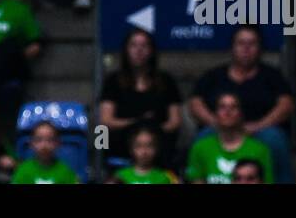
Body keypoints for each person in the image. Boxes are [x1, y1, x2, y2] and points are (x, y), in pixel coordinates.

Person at [189, 26, 295, 184]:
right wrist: (218, 123)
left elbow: (286, 104)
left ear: (260, 48)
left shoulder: (272, 76)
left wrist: (258, 125)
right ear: (232, 47)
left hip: (259, 131)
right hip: (221, 130)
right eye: (241, 43)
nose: (246, 48)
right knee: (204, 136)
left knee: (275, 138)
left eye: (252, 43)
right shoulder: (214, 76)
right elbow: (195, 102)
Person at [99, 28, 182, 165]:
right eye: (134, 45)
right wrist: (137, 123)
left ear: (151, 51)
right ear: (126, 50)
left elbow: (175, 122)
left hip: (158, 142)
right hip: (122, 142)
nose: (139, 50)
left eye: (144, 45)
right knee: (100, 135)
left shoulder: (166, 81)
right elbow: (106, 120)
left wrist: (152, 133)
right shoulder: (113, 81)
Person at [184, 92, 274, 184]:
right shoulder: (200, 147)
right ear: (215, 113)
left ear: (241, 113)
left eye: (233, 107)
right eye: (222, 107)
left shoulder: (260, 150)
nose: (228, 112)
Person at [10, 121, 79, 184]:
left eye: (50, 140)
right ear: (31, 143)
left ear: (58, 143)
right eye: (39, 140)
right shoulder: (23, 170)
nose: (44, 145)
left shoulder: (65, 171)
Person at [111, 126, 179, 184]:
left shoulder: (166, 176)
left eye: (149, 145)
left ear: (157, 148)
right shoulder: (120, 176)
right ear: (131, 149)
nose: (144, 151)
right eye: (139, 146)